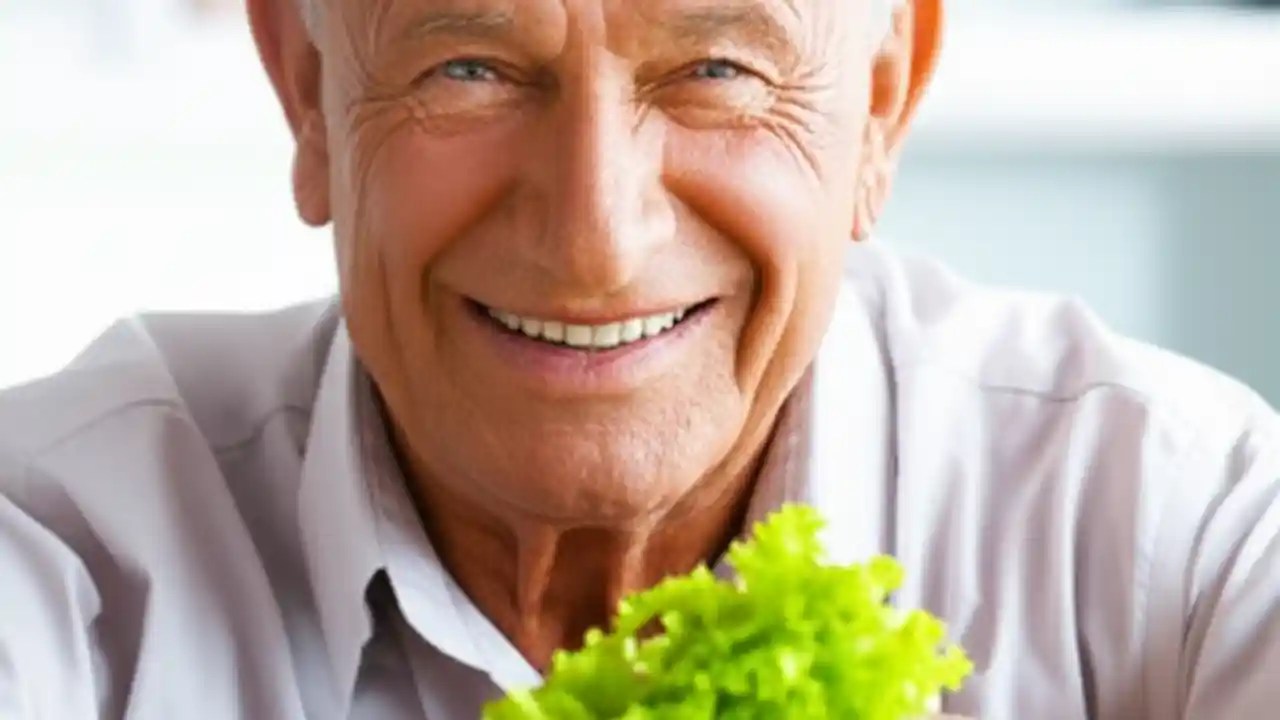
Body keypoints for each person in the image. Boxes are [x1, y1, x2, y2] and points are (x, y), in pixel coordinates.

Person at [1, 0, 1277, 717]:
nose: (594, 242)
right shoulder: (61, 564)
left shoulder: (1183, 540)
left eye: (717, 71)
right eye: (470, 67)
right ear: (303, 86)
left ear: (881, 101)